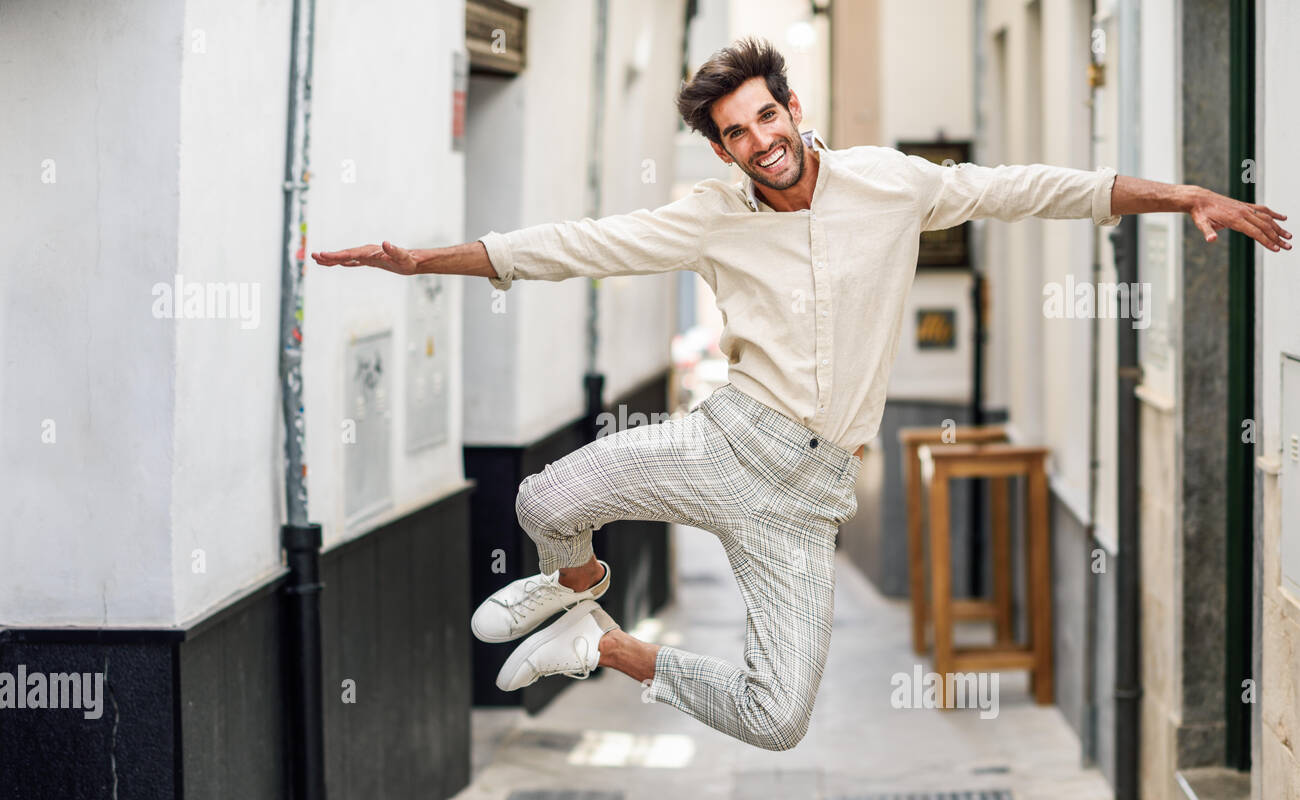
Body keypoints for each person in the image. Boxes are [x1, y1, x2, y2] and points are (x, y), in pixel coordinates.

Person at [313, 37, 1289, 751]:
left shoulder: (891, 184)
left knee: (778, 717)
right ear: (723, 150)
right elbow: (581, 244)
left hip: (809, 497)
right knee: (539, 500)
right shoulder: (709, 218)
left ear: (789, 106)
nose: (760, 142)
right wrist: (425, 260)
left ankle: (598, 649)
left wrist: (1186, 196)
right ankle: (578, 589)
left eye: (765, 118)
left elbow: (1031, 186)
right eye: (736, 134)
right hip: (727, 442)